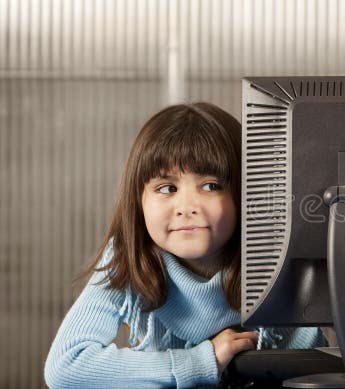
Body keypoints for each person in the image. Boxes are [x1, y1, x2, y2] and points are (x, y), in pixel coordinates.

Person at [44, 103, 326, 388]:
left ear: (246, 193)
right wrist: (200, 362)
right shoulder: (128, 254)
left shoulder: (286, 253)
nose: (187, 207)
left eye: (211, 186)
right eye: (167, 188)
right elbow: (66, 367)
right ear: (138, 201)